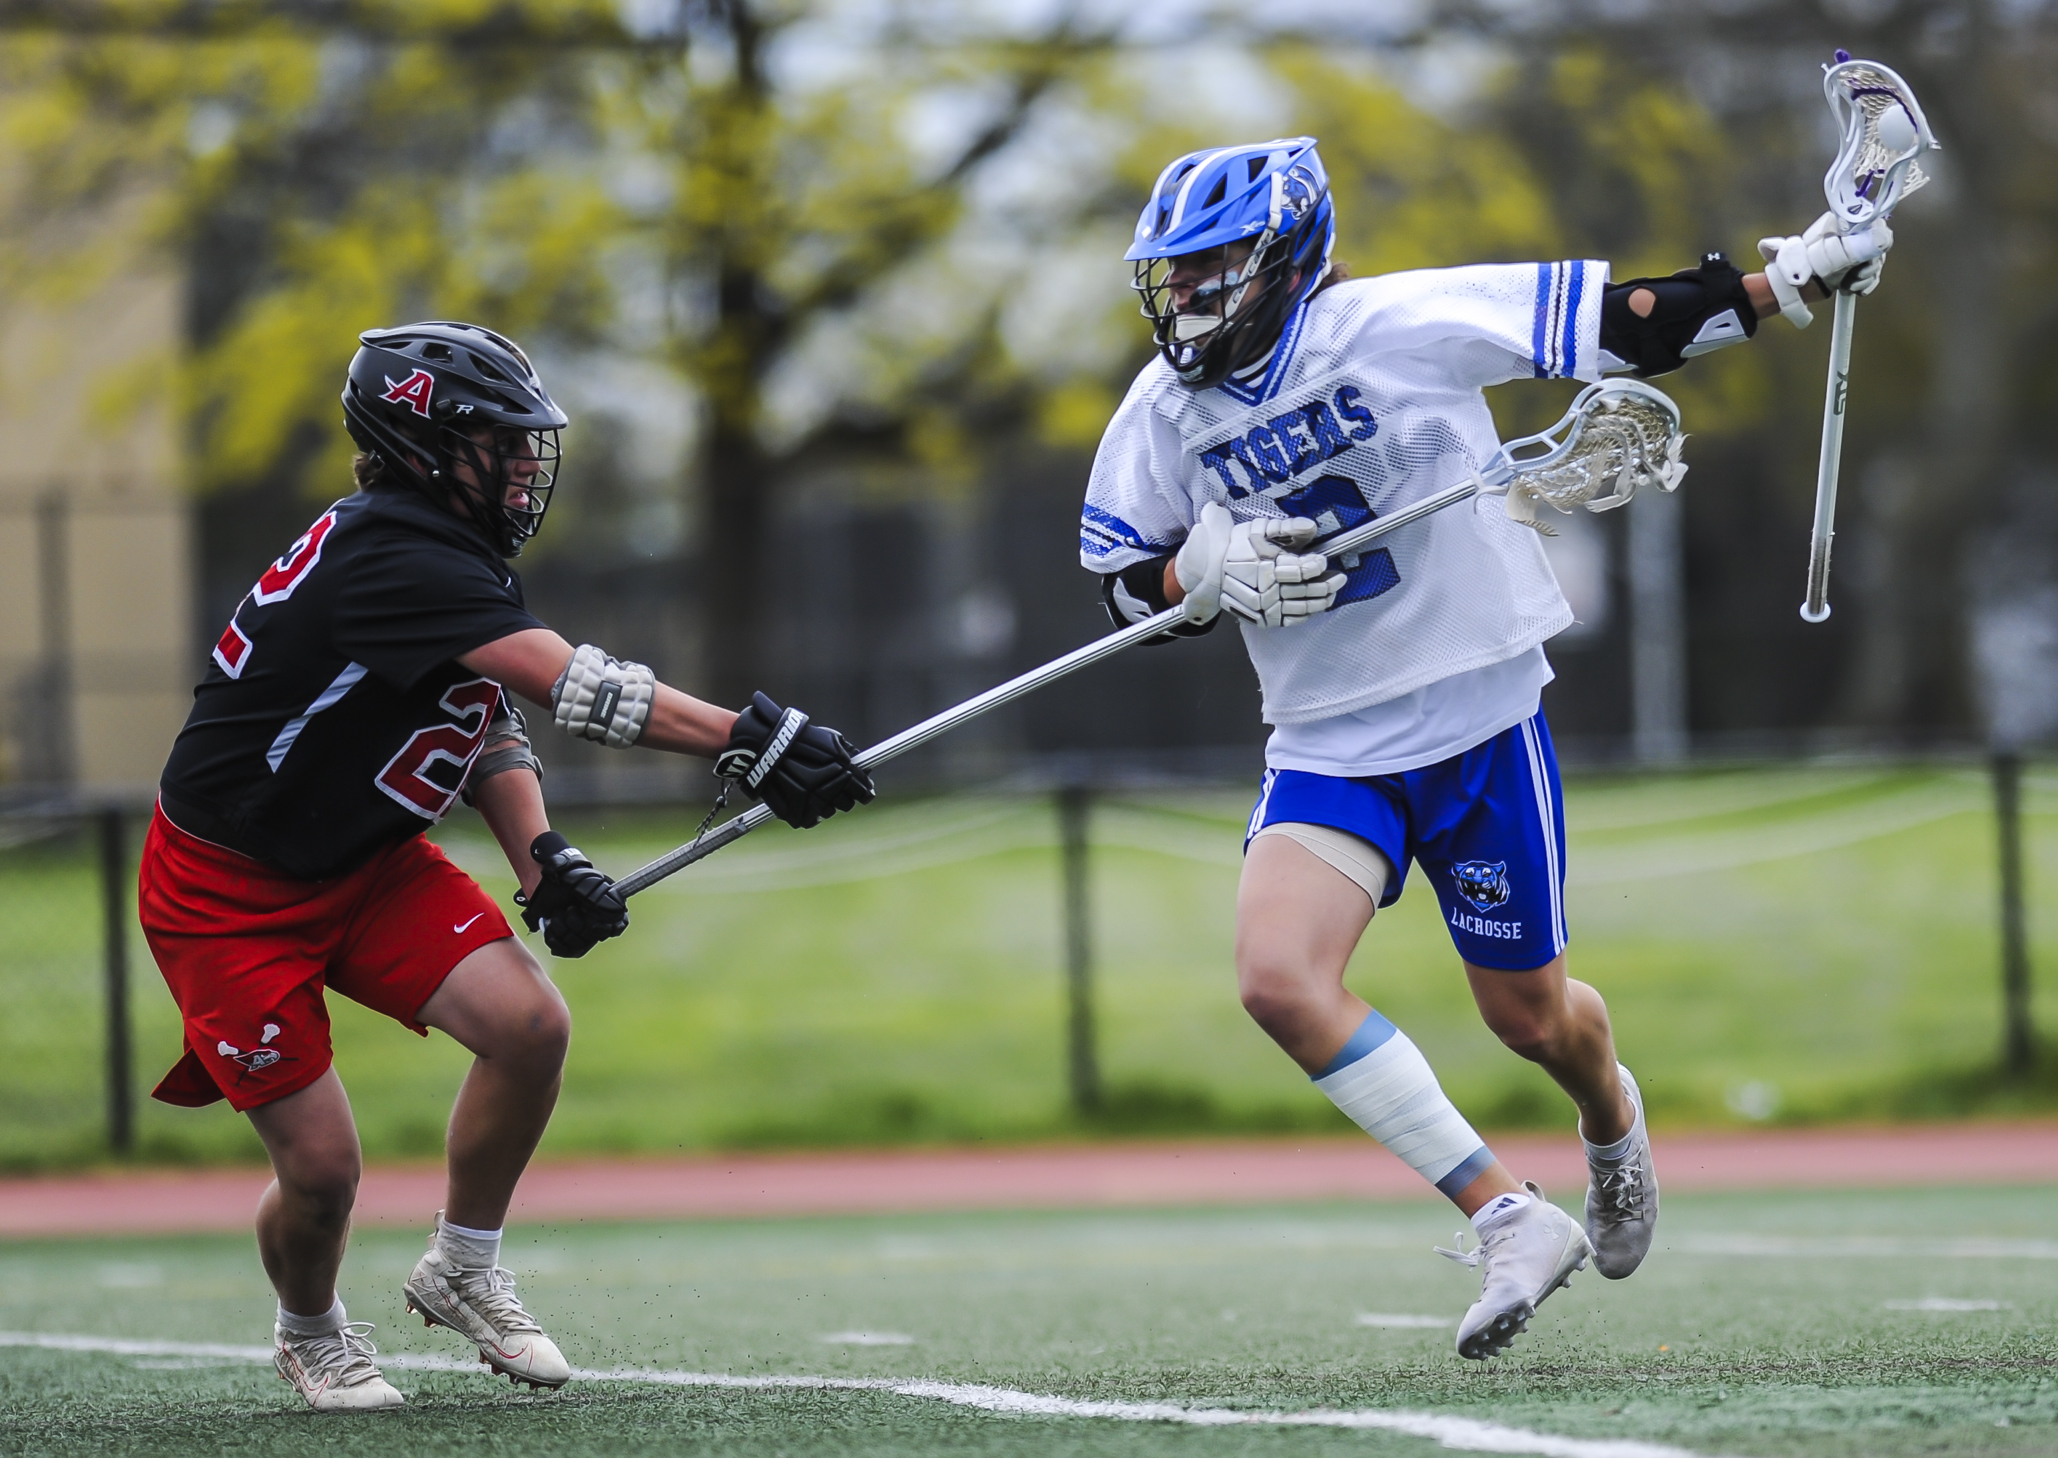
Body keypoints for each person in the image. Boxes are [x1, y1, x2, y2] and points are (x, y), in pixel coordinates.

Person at [1081, 139, 1886, 1359]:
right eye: (1173, 275)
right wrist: (1197, 573)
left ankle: (1611, 1123)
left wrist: (1800, 275)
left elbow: (1628, 326)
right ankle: (1509, 1214)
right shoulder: (1162, 413)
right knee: (1277, 982)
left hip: (1474, 715)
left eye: (1215, 269)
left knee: (1533, 1019)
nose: (1187, 298)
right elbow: (1120, 587)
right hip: (1326, 740)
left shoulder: (1388, 325)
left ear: (1286, 255)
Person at [139, 321, 876, 1411]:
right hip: (229, 892)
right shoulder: (394, 555)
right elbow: (576, 689)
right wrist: (748, 737)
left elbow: (477, 719)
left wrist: (539, 857)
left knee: (532, 1026)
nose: (528, 462)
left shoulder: (439, 551)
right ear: (426, 443)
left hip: (361, 861)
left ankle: (464, 1265)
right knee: (325, 1171)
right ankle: (310, 1331)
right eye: (501, 440)